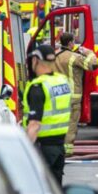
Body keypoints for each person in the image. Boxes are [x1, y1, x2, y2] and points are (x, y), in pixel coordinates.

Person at [23, 44, 74, 184]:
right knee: (56, 190)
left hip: (43, 148)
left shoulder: (38, 86)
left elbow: (34, 124)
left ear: (35, 61)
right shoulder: (62, 81)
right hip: (59, 147)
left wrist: (24, 151)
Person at [53, 31, 98, 156]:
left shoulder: (54, 55)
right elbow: (93, 65)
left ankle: (56, 148)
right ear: (70, 43)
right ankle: (67, 150)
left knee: (57, 122)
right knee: (71, 124)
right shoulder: (74, 57)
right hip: (72, 97)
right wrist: (88, 52)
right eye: (73, 41)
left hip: (56, 95)